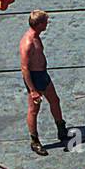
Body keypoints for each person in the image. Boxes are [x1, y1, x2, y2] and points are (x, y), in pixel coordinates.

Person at [19, 10, 69, 157]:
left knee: (55, 100)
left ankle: (61, 130)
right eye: (45, 22)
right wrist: (32, 90)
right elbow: (25, 68)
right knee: (34, 110)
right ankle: (34, 141)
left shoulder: (36, 37)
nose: (47, 24)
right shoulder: (27, 43)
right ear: (39, 24)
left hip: (42, 75)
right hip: (34, 78)